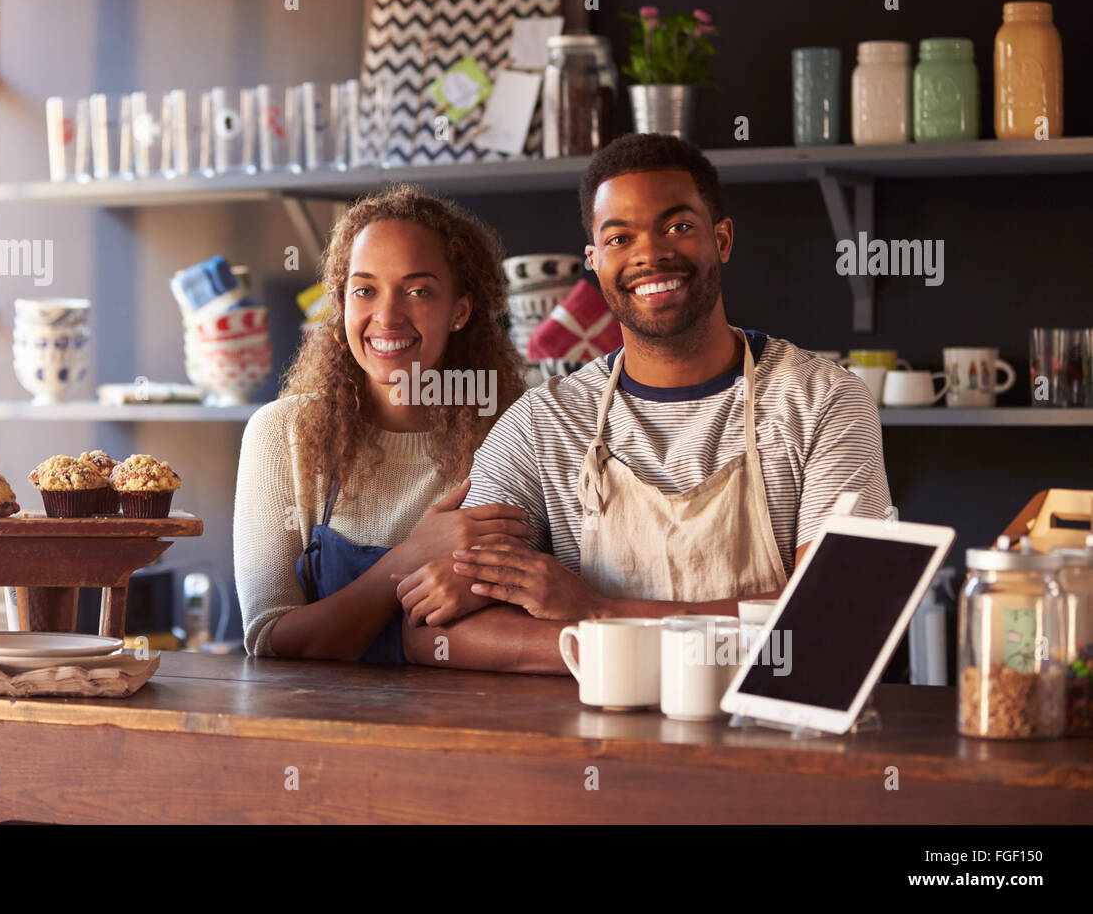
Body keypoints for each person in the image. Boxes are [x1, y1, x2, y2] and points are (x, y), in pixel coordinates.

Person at [393, 133, 893, 673]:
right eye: (619, 238)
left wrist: (599, 614)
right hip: (591, 745)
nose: (650, 255)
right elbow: (432, 630)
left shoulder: (824, 401)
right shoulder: (543, 423)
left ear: (722, 239)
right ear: (594, 260)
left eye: (677, 227)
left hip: (773, 740)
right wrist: (610, 647)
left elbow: (840, 617)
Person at [234, 183, 529, 663]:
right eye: (365, 290)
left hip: (466, 725)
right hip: (317, 727)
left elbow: (531, 608)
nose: (387, 316)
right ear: (343, 304)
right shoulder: (281, 433)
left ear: (460, 310)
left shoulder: (513, 431)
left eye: (418, 291)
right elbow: (270, 639)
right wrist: (412, 556)